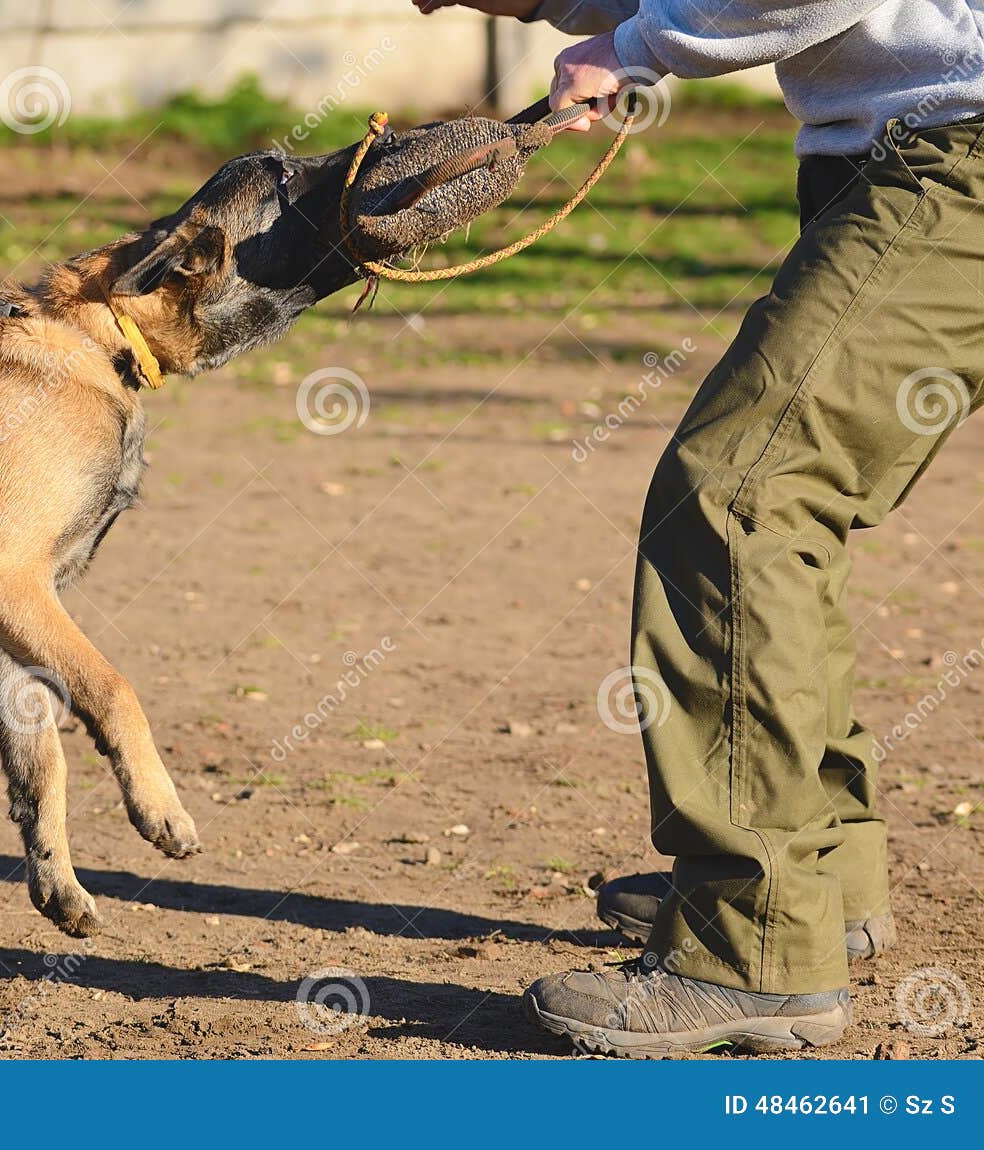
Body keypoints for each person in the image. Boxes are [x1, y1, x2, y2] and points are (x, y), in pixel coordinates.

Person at [413, 0, 984, 1055]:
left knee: (735, 497)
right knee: (788, 511)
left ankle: (750, 947)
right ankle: (816, 885)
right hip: (902, 150)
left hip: (956, 156)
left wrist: (632, 49)